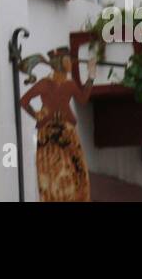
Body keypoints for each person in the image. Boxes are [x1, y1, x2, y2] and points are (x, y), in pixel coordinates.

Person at [18, 47, 91, 202]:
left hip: (48, 133)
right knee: (74, 173)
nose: (71, 63)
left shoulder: (46, 83)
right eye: (68, 60)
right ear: (62, 63)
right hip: (65, 133)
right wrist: (91, 76)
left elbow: (24, 102)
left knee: (51, 175)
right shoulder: (67, 84)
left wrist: (38, 115)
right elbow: (83, 99)